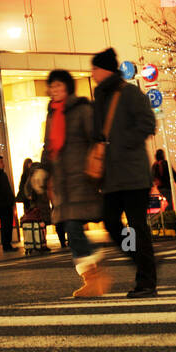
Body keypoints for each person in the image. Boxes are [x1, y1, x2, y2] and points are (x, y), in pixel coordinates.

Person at [92, 47, 158, 298]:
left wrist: (119, 143)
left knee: (136, 226)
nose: (93, 73)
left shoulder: (130, 93)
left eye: (95, 68)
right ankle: (141, 260)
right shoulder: (99, 97)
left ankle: (146, 281)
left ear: (106, 69)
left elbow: (148, 124)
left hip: (133, 174)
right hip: (111, 176)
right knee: (110, 221)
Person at [40, 69, 109, 298]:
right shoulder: (52, 114)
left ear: (68, 87)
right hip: (63, 183)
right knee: (72, 230)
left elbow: (97, 139)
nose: (55, 90)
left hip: (81, 178)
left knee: (72, 227)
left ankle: (94, 275)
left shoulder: (82, 110)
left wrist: (98, 169)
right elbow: (48, 147)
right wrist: (42, 171)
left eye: (59, 85)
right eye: (52, 86)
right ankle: (93, 277)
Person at [0, 156, 18, 251]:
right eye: (1, 162)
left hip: (6, 204)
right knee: (5, 225)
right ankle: (6, 245)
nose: (3, 164)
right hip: (3, 205)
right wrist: (5, 200)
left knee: (8, 224)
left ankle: (7, 244)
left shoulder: (2, 174)